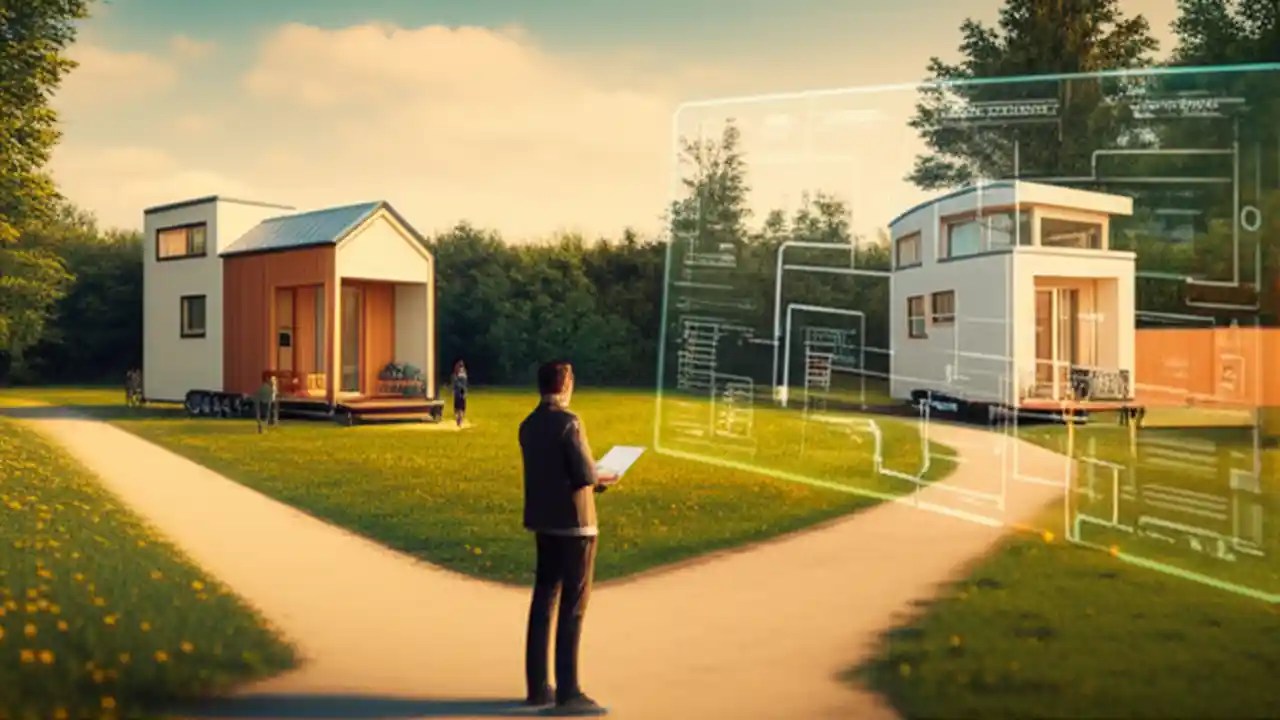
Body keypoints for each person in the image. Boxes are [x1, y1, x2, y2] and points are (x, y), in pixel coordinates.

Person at [519, 360, 614, 715]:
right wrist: (603, 476)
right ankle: (569, 691)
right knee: (573, 606)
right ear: (566, 383)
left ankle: (538, 686)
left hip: (544, 523)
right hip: (576, 526)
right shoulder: (569, 423)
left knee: (543, 601)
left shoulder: (528, 425)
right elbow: (585, 474)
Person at [451, 360, 468, 428]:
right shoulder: (464, 374)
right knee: (462, 408)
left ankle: (458, 419)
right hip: (462, 392)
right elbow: (464, 384)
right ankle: (460, 420)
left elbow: (454, 383)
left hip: (457, 392)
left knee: (457, 408)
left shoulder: (455, 374)